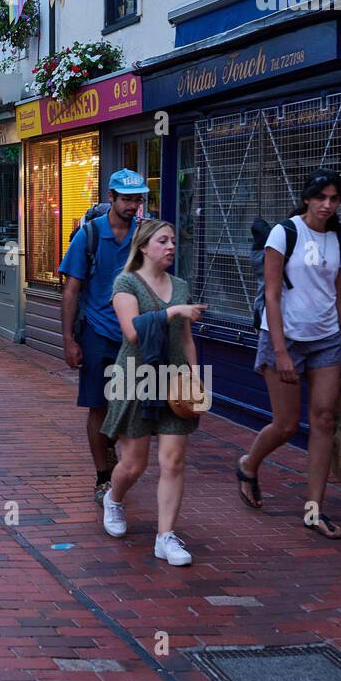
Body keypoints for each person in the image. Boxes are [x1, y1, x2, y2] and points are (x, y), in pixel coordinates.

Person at [237, 171, 341, 540]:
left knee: (323, 421)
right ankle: (248, 464)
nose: (327, 204)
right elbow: (272, 295)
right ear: (307, 198)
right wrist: (279, 350)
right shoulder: (285, 232)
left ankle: (314, 510)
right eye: (320, 197)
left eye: (334, 198)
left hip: (327, 340)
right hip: (284, 338)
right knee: (286, 425)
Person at [100, 219, 207, 566]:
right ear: (144, 247)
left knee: (173, 460)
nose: (171, 246)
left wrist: (195, 378)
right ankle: (114, 499)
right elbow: (133, 333)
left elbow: (186, 338)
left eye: (174, 241)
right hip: (136, 377)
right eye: (163, 241)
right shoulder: (126, 282)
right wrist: (174, 310)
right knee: (134, 464)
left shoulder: (180, 285)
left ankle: (165, 537)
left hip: (174, 381)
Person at [59, 169, 149, 505]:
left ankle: (118, 458)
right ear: (110, 197)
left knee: (129, 405)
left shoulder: (145, 234)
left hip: (135, 334)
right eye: (126, 199)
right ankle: (101, 477)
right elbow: (71, 290)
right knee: (98, 405)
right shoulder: (90, 235)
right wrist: (68, 339)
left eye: (137, 199)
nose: (132, 205)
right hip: (98, 331)